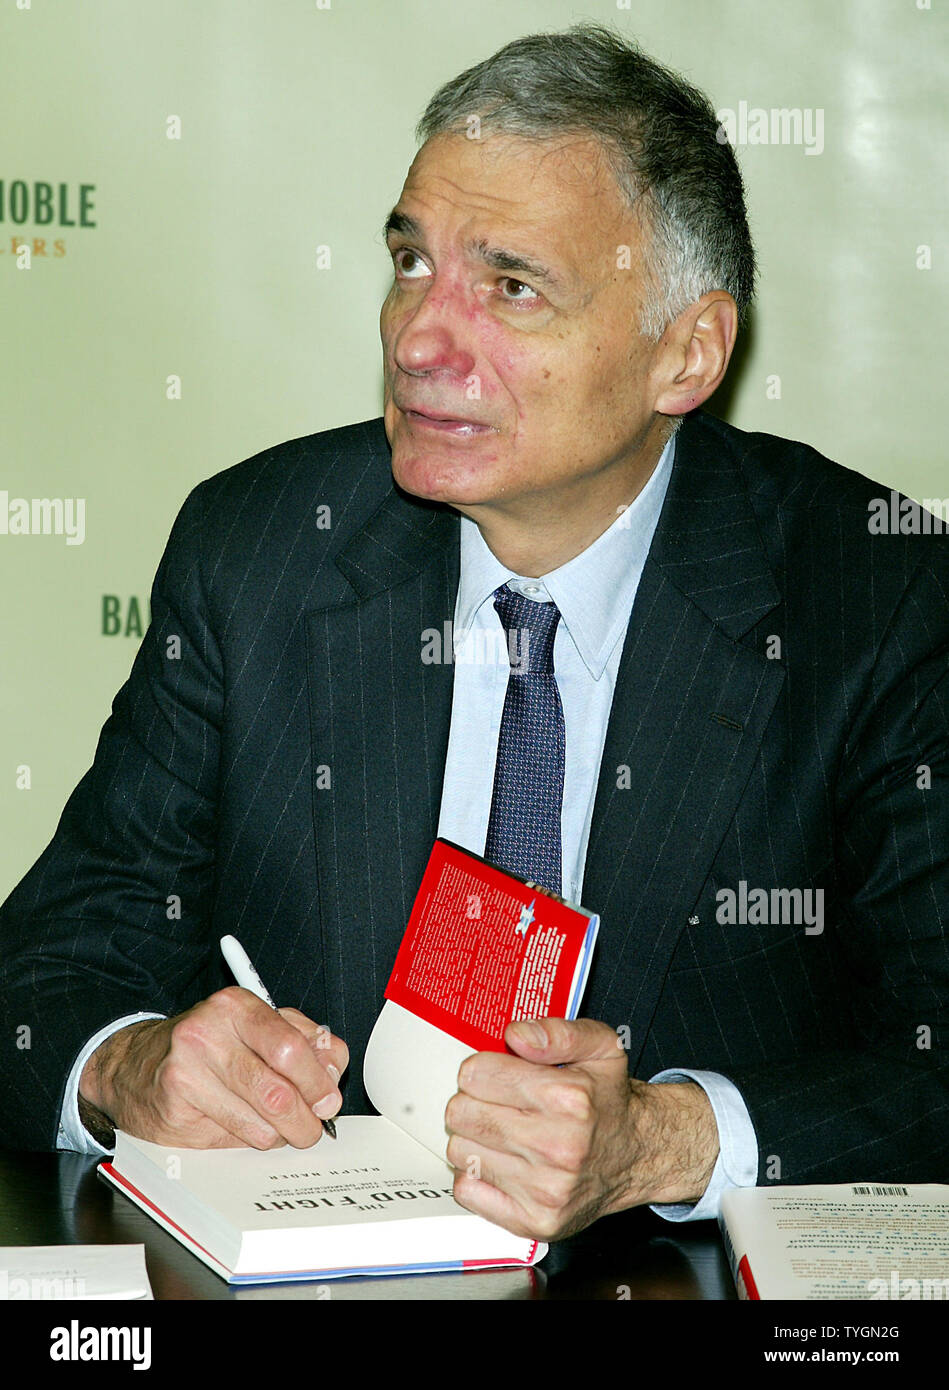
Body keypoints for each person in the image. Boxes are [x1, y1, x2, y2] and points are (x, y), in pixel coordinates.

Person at [1, 24, 945, 1244]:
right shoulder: (264, 548)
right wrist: (122, 1066)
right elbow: (48, 961)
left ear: (686, 352)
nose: (418, 341)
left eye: (509, 286)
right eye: (410, 265)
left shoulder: (871, 592)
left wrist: (668, 1140)